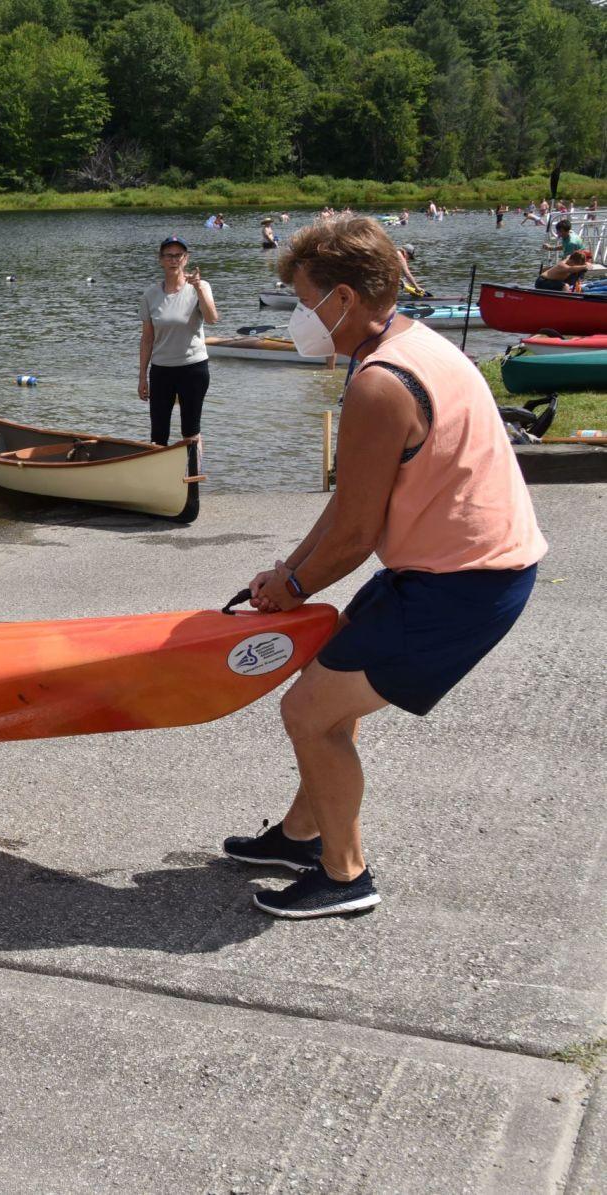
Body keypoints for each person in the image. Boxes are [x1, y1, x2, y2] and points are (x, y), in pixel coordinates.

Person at [223, 218, 546, 919]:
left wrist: (296, 585)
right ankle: (304, 835)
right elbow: (349, 506)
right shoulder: (409, 342)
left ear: (342, 298)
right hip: (452, 566)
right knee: (325, 685)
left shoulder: (380, 383)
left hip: (465, 582)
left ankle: (344, 876)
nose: (303, 318)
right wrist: (288, 570)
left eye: (307, 301)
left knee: (308, 712)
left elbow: (356, 535)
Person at [137, 236, 218, 446]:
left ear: (186, 259)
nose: (174, 260)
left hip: (193, 369)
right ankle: (160, 478)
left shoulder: (200, 287)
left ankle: (193, 479)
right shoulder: (150, 295)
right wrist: (142, 376)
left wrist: (199, 288)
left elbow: (212, 319)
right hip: (161, 370)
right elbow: (147, 339)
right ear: (161, 260)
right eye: (169, 256)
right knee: (158, 435)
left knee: (190, 433)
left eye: (178, 256)